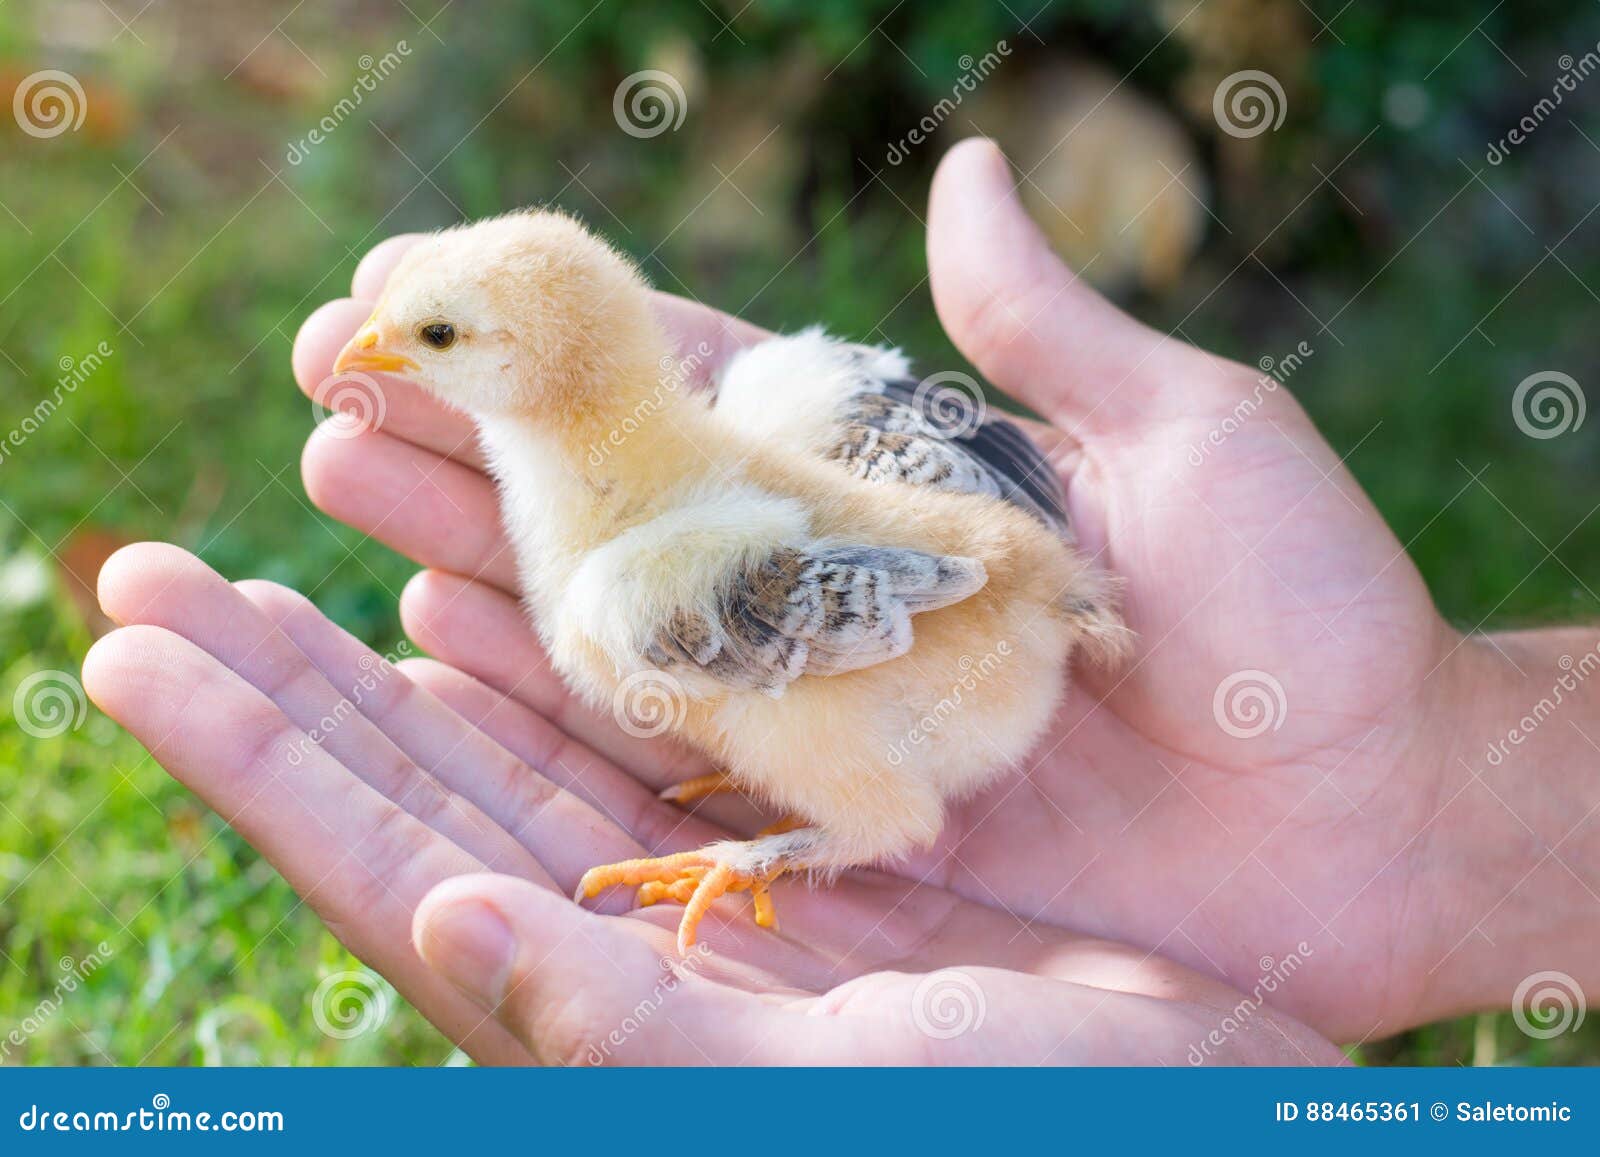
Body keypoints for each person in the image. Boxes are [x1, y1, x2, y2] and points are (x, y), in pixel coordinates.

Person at [83, 140, 1595, 1065]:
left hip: (939, 681)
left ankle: (813, 829)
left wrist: (788, 834)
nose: (391, 356)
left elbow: (939, 577)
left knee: (640, 621)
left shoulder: (638, 579)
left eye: (432, 337)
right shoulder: (761, 407)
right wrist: (1434, 782)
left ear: (534, 365)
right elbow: (976, 518)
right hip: (977, 619)